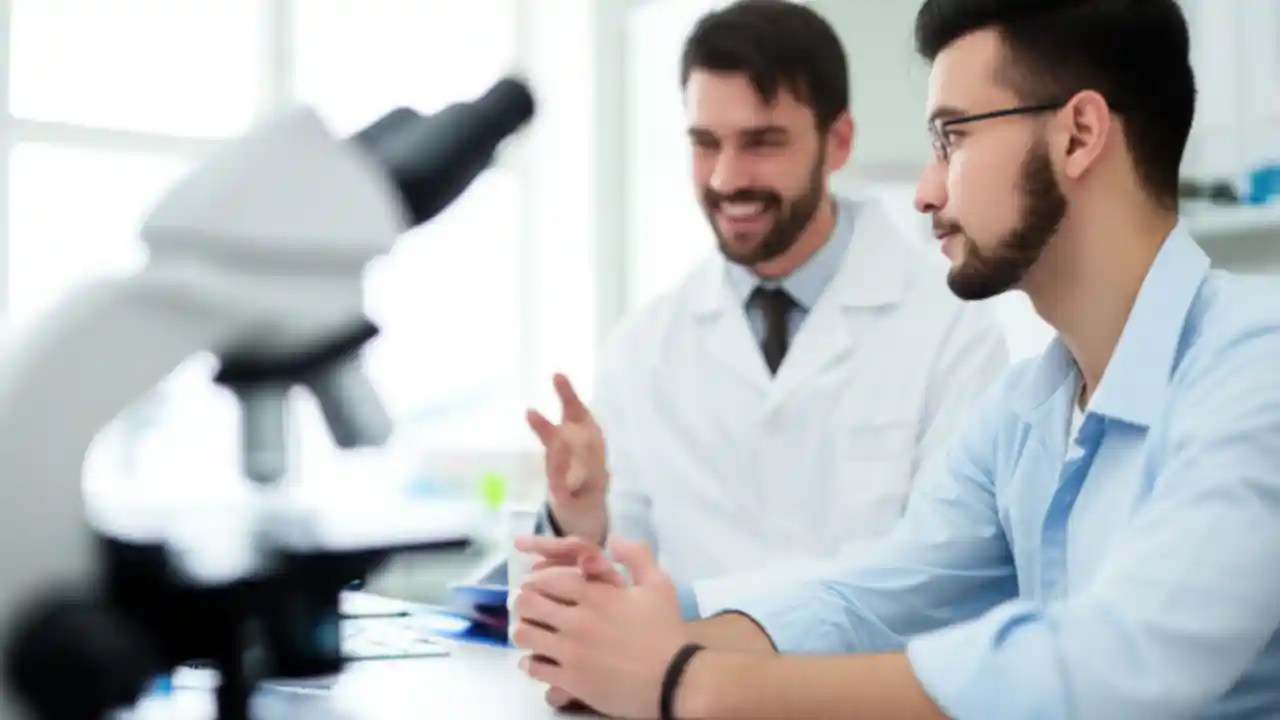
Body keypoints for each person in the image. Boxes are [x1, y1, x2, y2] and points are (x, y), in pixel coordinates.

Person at [511, 0, 1280, 717]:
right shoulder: (1026, 412)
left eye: (954, 138)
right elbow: (870, 598)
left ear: (1079, 134)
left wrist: (685, 680)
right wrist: (637, 636)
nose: (923, 190)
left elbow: (1118, 663)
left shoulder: (1256, 366)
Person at [525, 0, 1007, 619]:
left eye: (761, 143)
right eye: (705, 144)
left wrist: (696, 609)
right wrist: (582, 519)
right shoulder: (644, 346)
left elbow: (939, 574)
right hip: (682, 699)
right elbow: (616, 573)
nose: (727, 179)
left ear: (838, 142)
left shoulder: (952, 331)